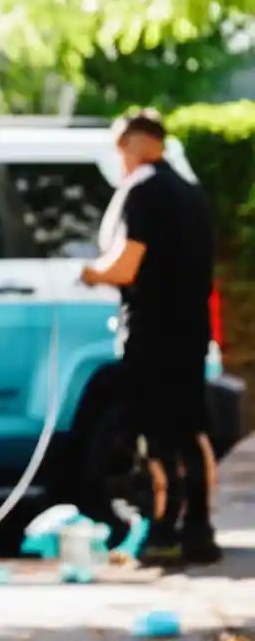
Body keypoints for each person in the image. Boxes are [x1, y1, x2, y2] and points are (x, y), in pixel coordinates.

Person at [82, 109, 222, 565]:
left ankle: (163, 528)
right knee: (192, 432)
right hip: (191, 333)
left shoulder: (140, 191)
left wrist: (89, 273)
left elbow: (126, 264)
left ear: (130, 145)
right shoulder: (193, 194)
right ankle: (199, 530)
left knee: (155, 436)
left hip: (150, 334)